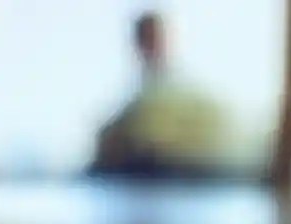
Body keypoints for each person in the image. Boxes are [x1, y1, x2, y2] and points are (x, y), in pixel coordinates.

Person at [92, 12, 231, 178]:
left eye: (155, 38)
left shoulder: (186, 96)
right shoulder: (137, 100)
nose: (152, 46)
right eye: (147, 39)